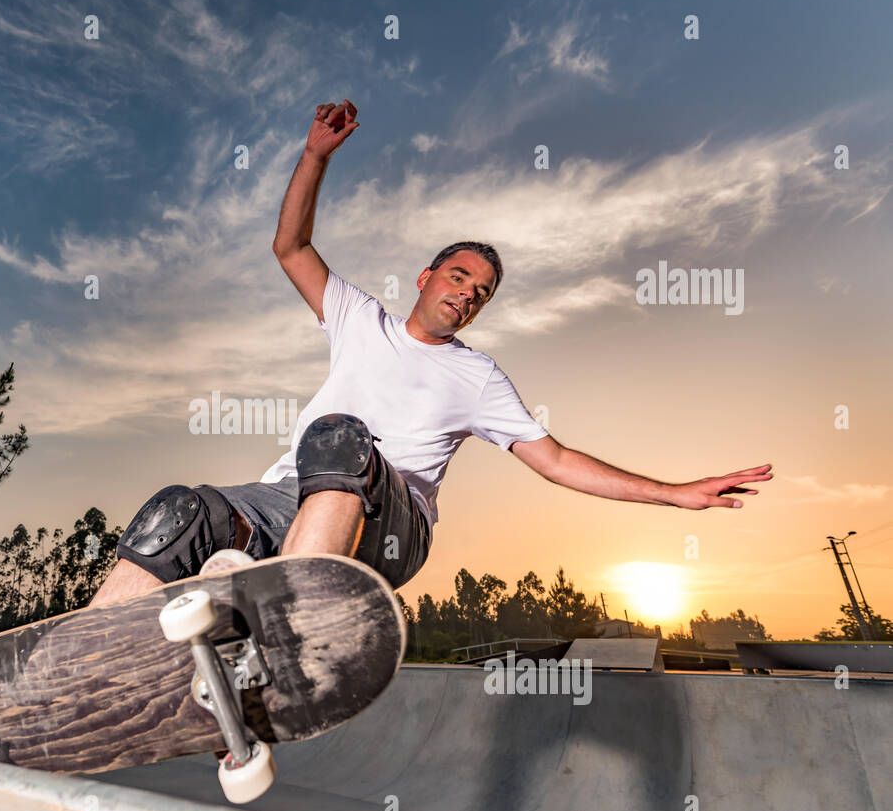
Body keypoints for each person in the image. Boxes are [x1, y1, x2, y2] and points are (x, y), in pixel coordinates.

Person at [92, 98, 771, 611]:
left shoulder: (475, 375)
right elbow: (291, 249)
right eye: (458, 278)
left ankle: (277, 629)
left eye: (481, 293)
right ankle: (61, 674)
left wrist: (674, 494)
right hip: (285, 503)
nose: (468, 296)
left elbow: (556, 460)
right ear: (425, 277)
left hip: (390, 529)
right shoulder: (360, 318)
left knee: (337, 440)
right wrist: (316, 158)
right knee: (179, 514)